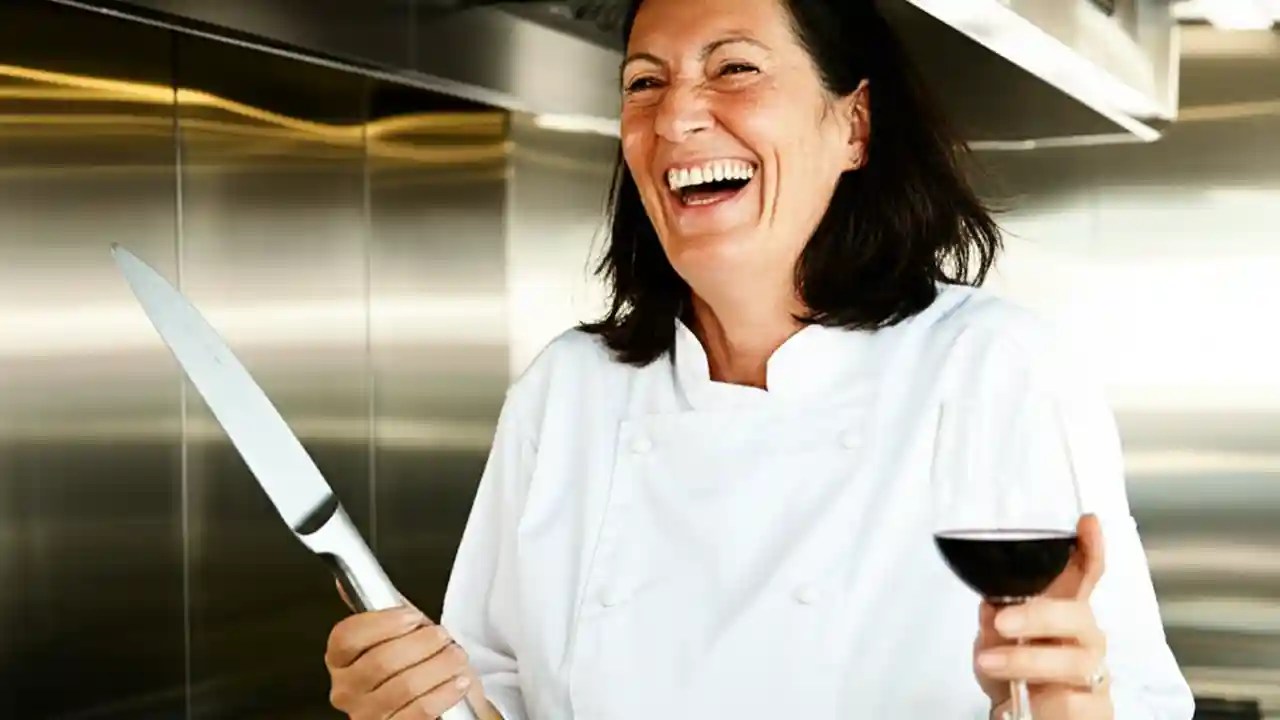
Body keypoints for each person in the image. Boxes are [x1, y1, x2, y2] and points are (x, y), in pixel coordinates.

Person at [322, 0, 1195, 718]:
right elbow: (488, 696)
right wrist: (408, 701)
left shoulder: (994, 368)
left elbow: (1138, 701)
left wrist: (1071, 702)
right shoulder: (567, 390)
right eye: (643, 82)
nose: (675, 115)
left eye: (734, 68)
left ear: (852, 126)